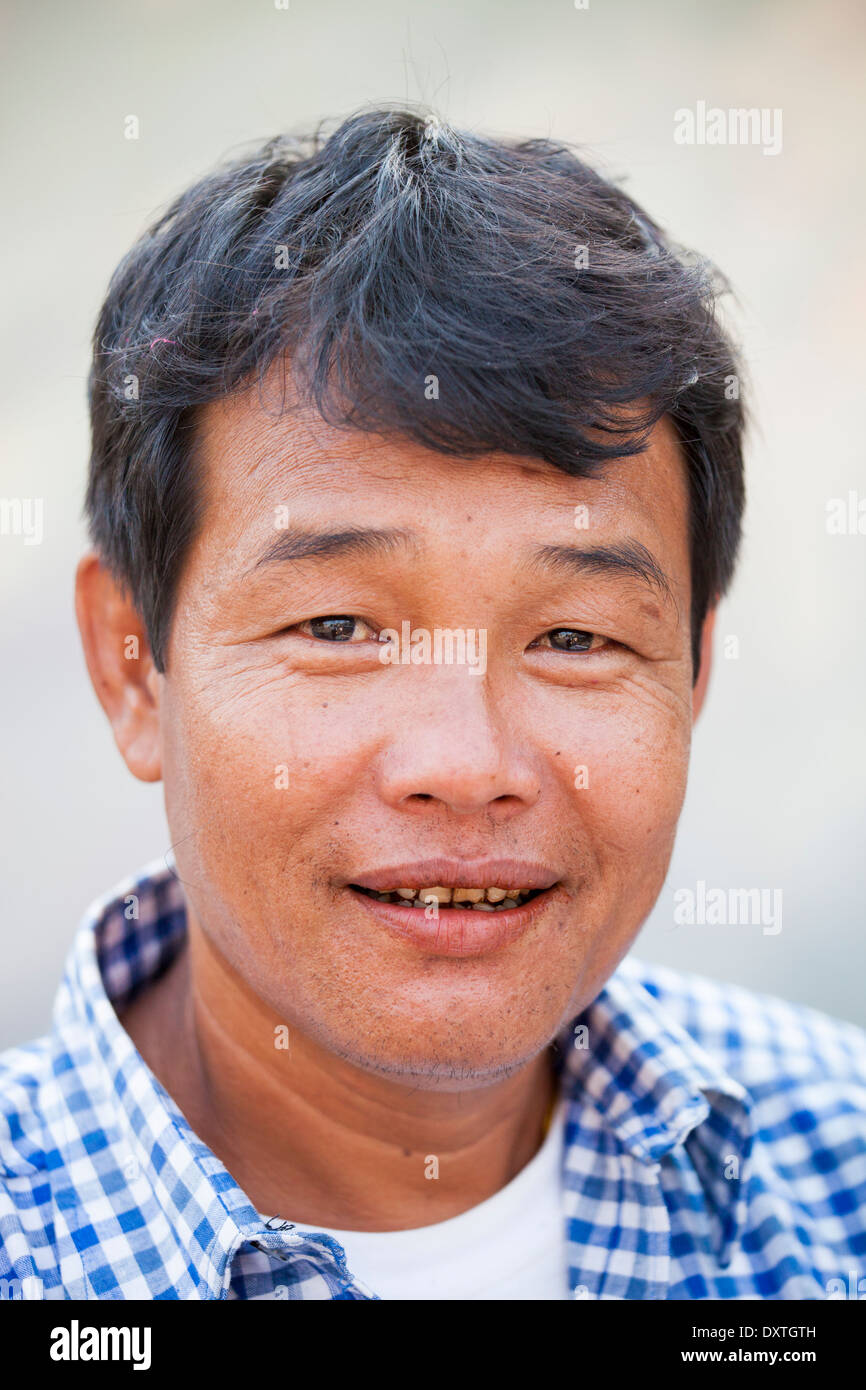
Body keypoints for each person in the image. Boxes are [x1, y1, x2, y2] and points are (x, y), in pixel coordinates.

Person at [1, 107, 863, 1301]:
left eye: (574, 637)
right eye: (336, 627)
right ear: (131, 662)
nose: (467, 764)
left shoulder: (836, 1168)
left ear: (691, 674)